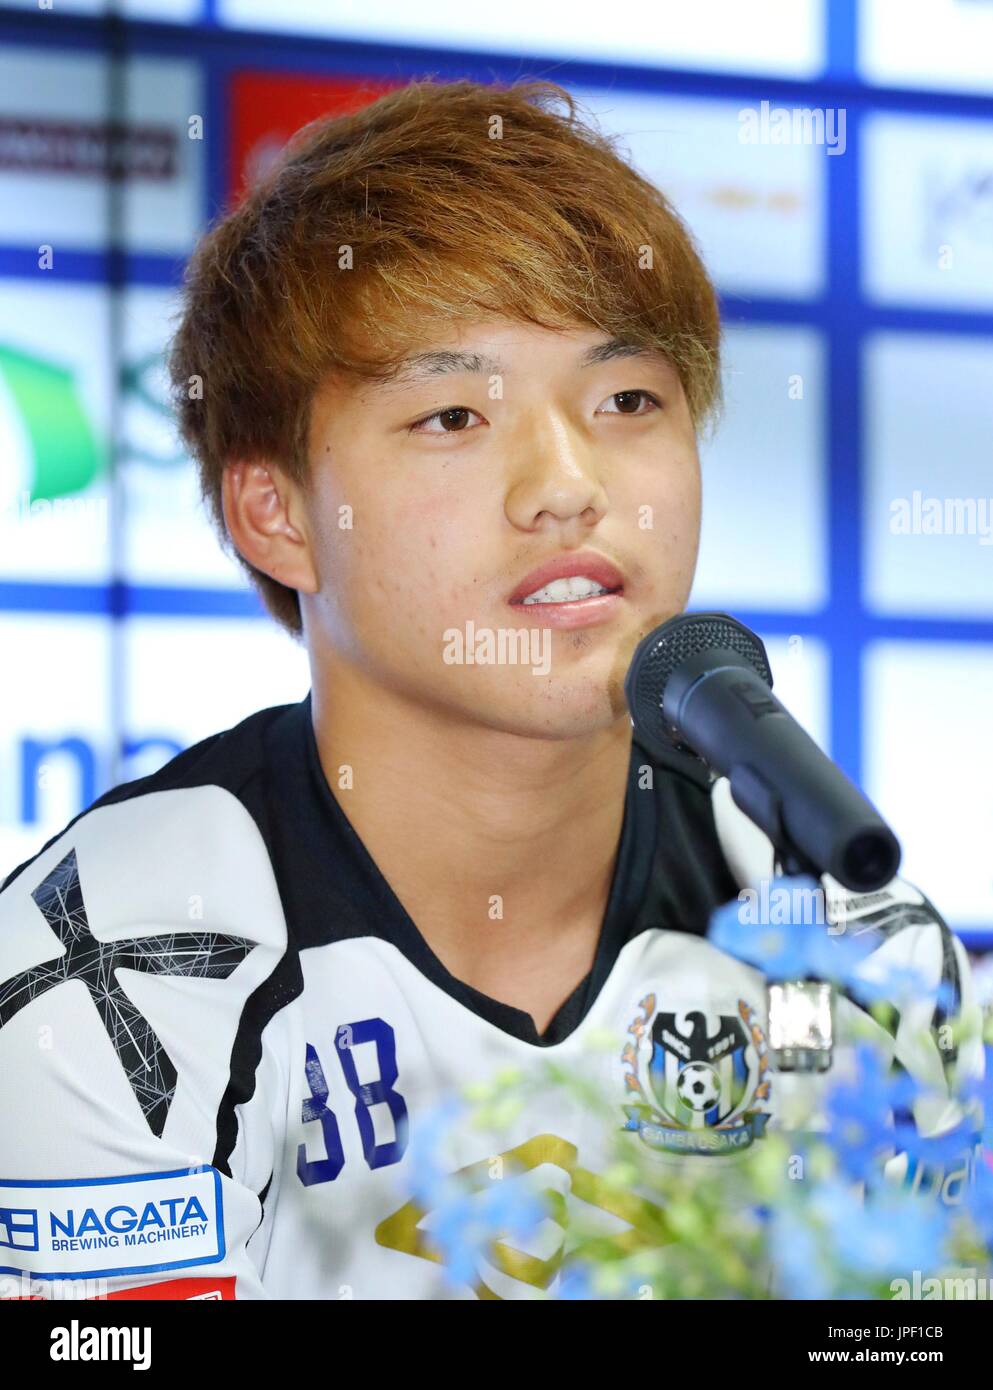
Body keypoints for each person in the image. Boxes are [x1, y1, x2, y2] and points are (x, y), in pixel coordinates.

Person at [0, 78, 981, 1302]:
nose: (568, 486)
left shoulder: (848, 936)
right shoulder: (112, 963)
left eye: (627, 401)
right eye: (454, 413)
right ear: (278, 515)